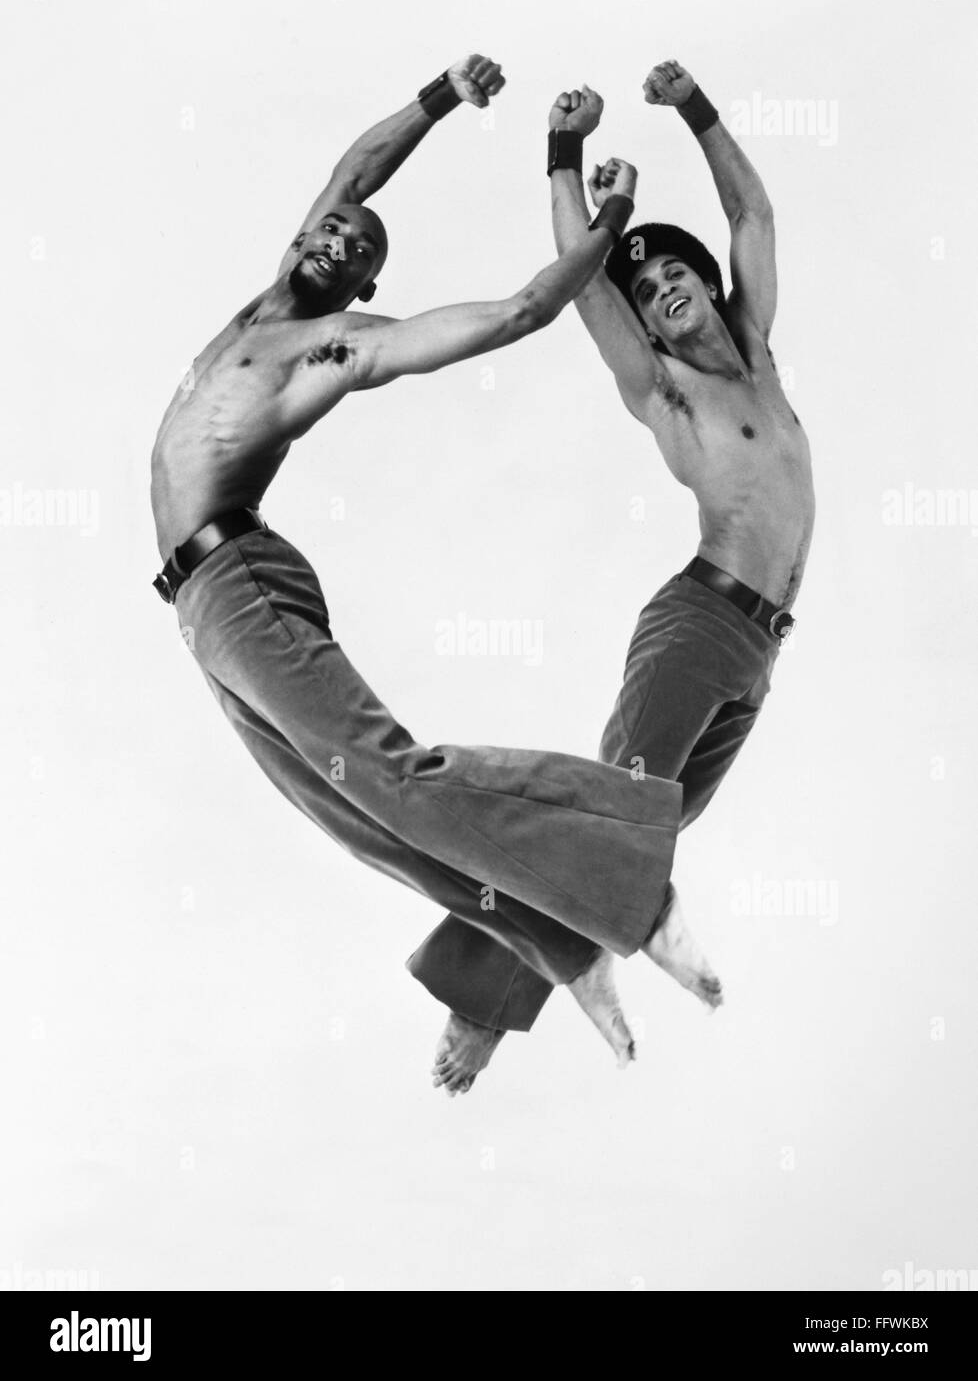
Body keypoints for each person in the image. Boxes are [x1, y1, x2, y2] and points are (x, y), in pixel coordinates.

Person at [150, 57, 687, 1094]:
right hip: (201, 609)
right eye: (331, 229)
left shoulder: (332, 345)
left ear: (365, 289)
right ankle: (562, 944)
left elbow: (518, 312)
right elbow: (359, 170)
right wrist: (440, 97)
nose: (336, 240)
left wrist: (603, 223)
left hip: (240, 577)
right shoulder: (258, 306)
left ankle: (628, 861)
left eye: (356, 251)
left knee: (397, 775)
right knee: (364, 820)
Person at [411, 62, 815, 1096]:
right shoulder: (667, 392)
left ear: (706, 284)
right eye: (647, 295)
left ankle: (509, 977)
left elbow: (751, 208)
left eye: (674, 275)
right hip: (697, 622)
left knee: (641, 838)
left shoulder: (759, 354)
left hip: (757, 651)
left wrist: (696, 110)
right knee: (603, 826)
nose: (662, 291)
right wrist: (565, 158)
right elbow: (586, 280)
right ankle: (481, 1000)